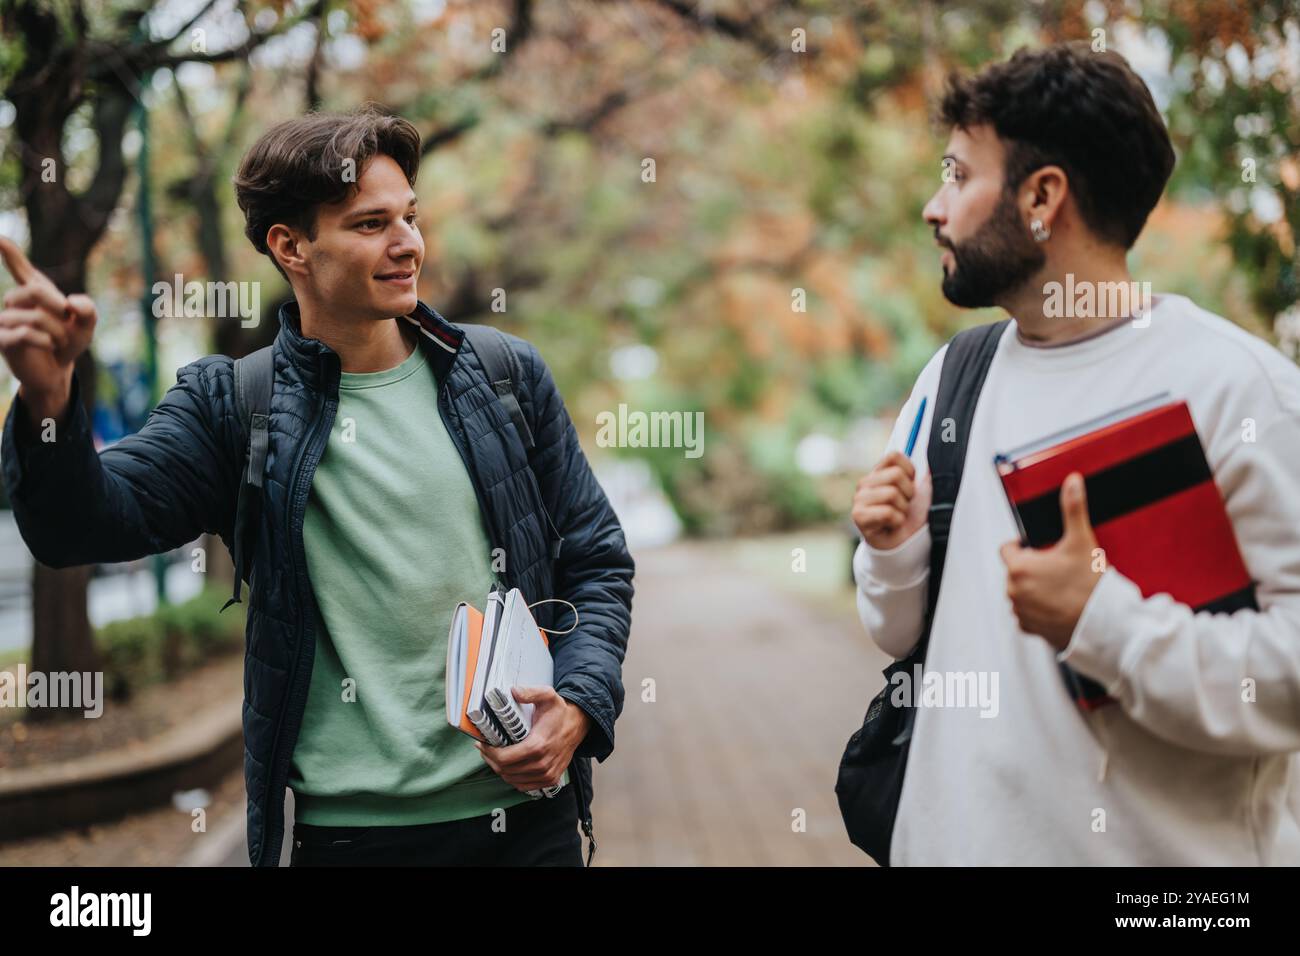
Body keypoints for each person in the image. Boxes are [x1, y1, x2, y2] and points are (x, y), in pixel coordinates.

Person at [0, 106, 635, 867]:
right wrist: (49, 404)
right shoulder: (234, 404)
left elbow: (597, 561)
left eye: (409, 216)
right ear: (291, 246)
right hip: (352, 842)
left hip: (529, 828)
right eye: (371, 225)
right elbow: (83, 527)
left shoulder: (503, 377)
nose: (408, 244)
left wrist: (576, 706)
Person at [850, 42, 1300, 864]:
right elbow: (896, 633)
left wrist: (1103, 622)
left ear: (1042, 198)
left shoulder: (1240, 392)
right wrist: (893, 552)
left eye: (957, 175)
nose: (932, 206)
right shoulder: (955, 377)